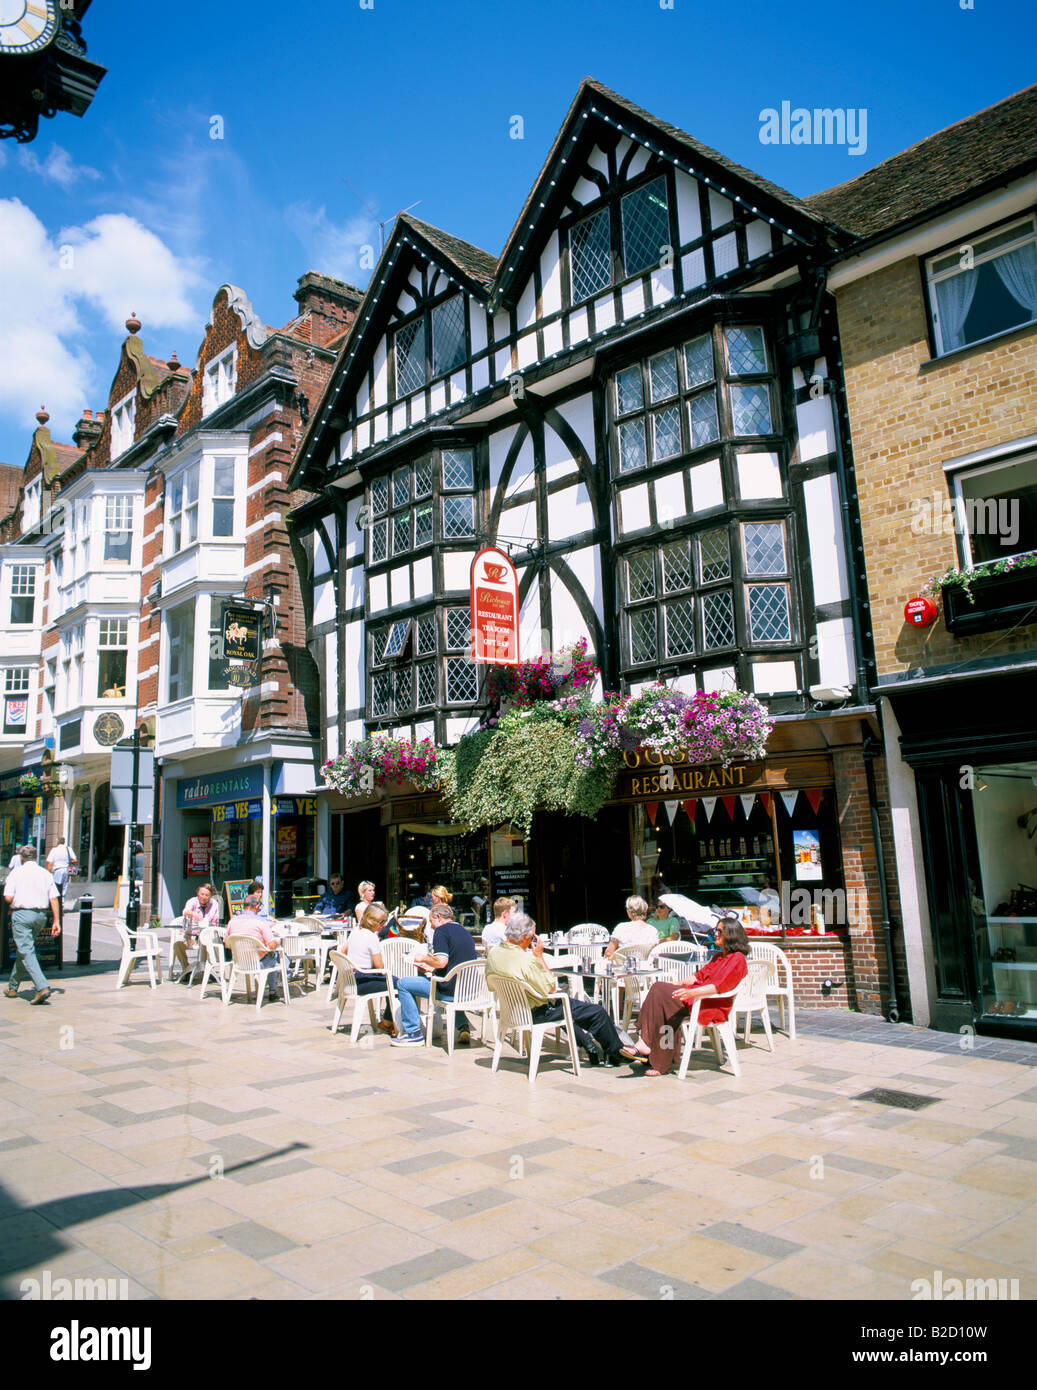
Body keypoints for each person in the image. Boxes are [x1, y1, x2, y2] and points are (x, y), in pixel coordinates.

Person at [486, 912, 629, 1066]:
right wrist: (539, 957)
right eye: (532, 935)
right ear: (524, 937)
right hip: (535, 1013)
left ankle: (590, 1045)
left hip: (511, 1012)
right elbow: (552, 988)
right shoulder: (527, 960)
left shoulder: (493, 953)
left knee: (566, 1009)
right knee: (596, 1012)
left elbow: (491, 985)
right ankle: (615, 1052)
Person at [622, 917, 751, 1075]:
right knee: (660, 997)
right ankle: (658, 1059)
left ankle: (647, 1045)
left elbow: (719, 987)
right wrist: (678, 984)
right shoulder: (719, 956)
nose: (715, 934)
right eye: (716, 930)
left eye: (719, 931)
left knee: (658, 992)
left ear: (730, 934)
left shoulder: (737, 959)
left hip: (709, 1005)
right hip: (696, 998)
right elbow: (698, 976)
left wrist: (691, 992)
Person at [391, 902, 478, 1047]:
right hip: (467, 990)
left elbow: (442, 961)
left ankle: (413, 1033)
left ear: (438, 917)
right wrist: (432, 969)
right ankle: (463, 1026)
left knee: (403, 984)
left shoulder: (441, 931)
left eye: (431, 921)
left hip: (448, 991)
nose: (431, 926)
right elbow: (454, 962)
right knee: (451, 983)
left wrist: (422, 958)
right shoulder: (464, 931)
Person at [3, 844, 60, 1005]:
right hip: (41, 916)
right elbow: (54, 898)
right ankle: (13, 987)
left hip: (21, 914)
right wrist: (56, 921)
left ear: (21, 858)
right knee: (25, 950)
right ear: (35, 857)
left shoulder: (16, 873)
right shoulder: (45, 873)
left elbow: (8, 897)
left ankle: (41, 986)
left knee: (26, 950)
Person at [344, 903, 396, 1032]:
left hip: (351, 979)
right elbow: (379, 966)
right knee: (398, 984)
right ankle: (388, 1022)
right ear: (372, 921)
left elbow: (342, 951)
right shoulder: (372, 937)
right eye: (382, 922)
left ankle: (387, 1021)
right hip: (363, 980)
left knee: (392, 981)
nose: (384, 925)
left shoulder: (355, 932)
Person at [226, 893, 285, 999]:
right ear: (257, 906)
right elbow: (271, 945)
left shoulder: (232, 921)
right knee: (275, 955)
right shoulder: (260, 922)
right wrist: (277, 942)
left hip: (239, 963)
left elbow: (227, 943)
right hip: (258, 963)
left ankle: (268, 990)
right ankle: (273, 991)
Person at [172, 882, 220, 980]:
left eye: (207, 895)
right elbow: (185, 912)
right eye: (202, 894)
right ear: (198, 894)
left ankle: (205, 970)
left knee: (208, 943)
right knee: (177, 944)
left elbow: (214, 921)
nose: (204, 897)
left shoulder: (214, 904)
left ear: (210, 896)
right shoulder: (192, 901)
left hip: (205, 934)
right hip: (191, 935)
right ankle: (186, 970)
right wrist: (193, 914)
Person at [604, 896, 659, 960]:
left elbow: (608, 953)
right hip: (644, 967)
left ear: (629, 912)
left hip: (622, 967)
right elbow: (654, 954)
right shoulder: (652, 930)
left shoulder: (621, 928)